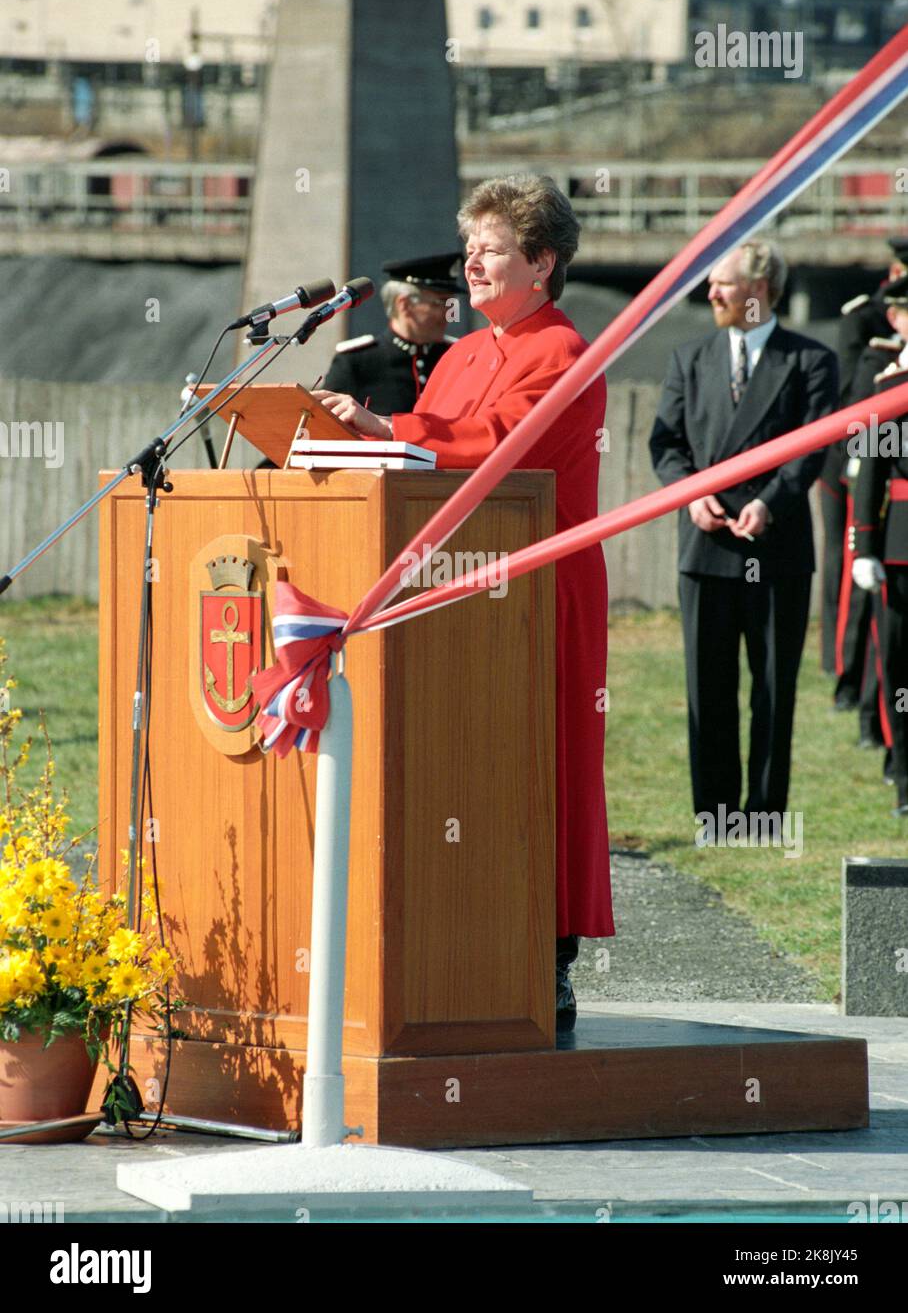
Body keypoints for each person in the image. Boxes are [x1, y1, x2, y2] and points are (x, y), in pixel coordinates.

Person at [313, 174, 612, 1032]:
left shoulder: (560, 350)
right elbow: (421, 466)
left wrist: (391, 430)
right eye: (472, 246)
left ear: (543, 263)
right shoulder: (463, 352)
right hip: (450, 589)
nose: (472, 263)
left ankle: (545, 955)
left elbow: (497, 451)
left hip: (536, 588)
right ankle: (445, 933)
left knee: (538, 760)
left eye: (493, 250)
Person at [649, 240, 838, 831]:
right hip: (705, 546)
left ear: (758, 291)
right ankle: (716, 815)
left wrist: (769, 503)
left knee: (773, 689)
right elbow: (667, 445)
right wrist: (691, 494)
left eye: (723, 284)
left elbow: (811, 448)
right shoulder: (690, 358)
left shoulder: (810, 361)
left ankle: (764, 816)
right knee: (708, 687)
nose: (711, 294)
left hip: (775, 548)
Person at [820, 237, 908, 683]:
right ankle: (844, 669)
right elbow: (853, 396)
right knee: (848, 560)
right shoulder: (863, 319)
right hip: (857, 453)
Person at [850, 274, 908, 814]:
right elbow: (870, 470)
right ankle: (905, 776)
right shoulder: (891, 388)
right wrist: (865, 546)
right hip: (901, 544)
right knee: (899, 662)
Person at [322, 253, 465, 415]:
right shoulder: (357, 361)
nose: (451, 314)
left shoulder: (458, 357)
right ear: (405, 305)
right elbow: (327, 427)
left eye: (453, 304)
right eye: (442, 303)